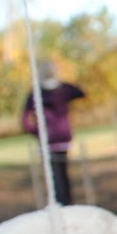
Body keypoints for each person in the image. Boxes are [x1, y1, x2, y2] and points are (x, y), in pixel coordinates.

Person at [21, 61, 85, 206]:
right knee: (61, 173)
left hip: (48, 140)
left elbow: (24, 119)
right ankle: (65, 203)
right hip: (60, 138)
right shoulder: (61, 90)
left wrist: (35, 131)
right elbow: (79, 91)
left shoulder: (37, 93)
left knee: (55, 175)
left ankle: (62, 203)